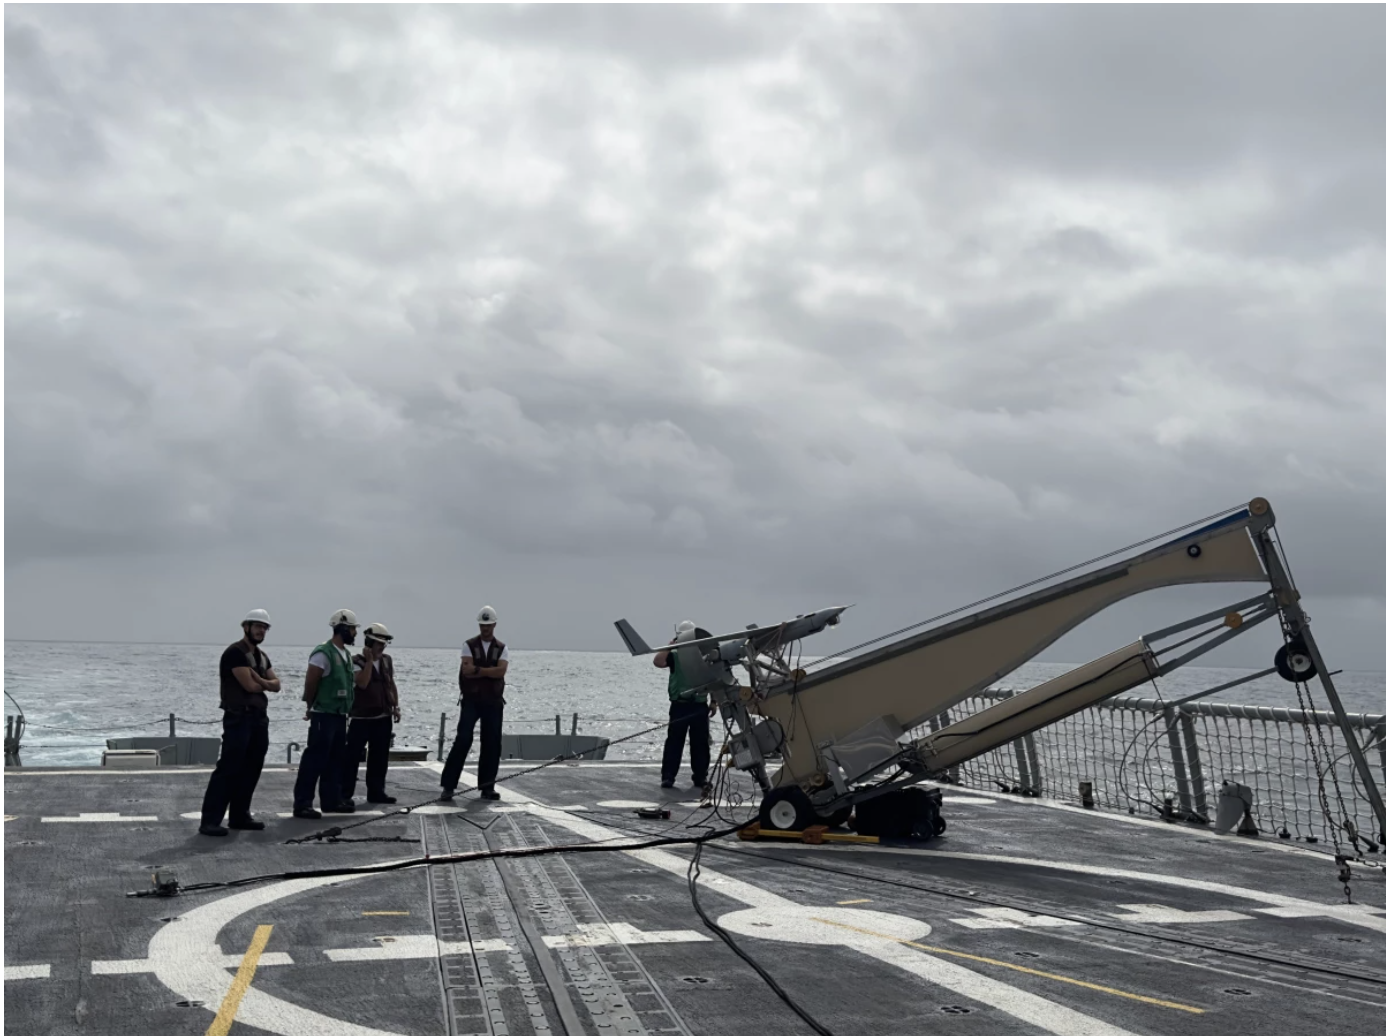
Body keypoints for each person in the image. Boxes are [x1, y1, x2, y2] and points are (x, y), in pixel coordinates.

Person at [198, 609, 280, 836]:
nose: (261, 631)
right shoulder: (235, 653)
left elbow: (277, 684)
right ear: (246, 627)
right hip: (238, 717)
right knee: (229, 767)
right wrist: (265, 683)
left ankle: (239, 815)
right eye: (258, 626)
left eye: (264, 627)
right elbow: (250, 686)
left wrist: (260, 679)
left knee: (252, 767)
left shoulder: (261, 656)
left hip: (258, 718)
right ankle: (210, 821)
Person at [292, 609, 371, 819]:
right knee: (315, 759)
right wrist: (311, 706)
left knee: (335, 759)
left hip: (339, 715)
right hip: (323, 714)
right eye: (352, 629)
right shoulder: (322, 653)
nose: (355, 633)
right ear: (343, 628)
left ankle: (331, 801)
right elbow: (311, 682)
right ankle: (303, 803)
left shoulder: (346, 655)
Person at [439, 605, 509, 802]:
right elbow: (467, 670)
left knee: (492, 743)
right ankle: (448, 786)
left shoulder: (502, 648)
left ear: (494, 625)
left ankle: (487, 787)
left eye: (488, 625)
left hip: (493, 702)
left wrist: (478, 670)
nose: (485, 628)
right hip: (472, 701)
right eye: (482, 625)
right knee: (463, 739)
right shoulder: (468, 645)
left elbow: (501, 671)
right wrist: (489, 671)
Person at [341, 622, 401, 805]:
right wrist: (368, 662)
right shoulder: (354, 661)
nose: (382, 648)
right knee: (352, 757)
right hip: (361, 718)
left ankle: (376, 792)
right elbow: (363, 683)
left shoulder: (387, 661)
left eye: (384, 644)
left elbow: (390, 683)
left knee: (380, 757)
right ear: (369, 644)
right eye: (379, 644)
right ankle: (344, 794)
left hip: (383, 717)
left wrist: (395, 705)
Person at [654, 619, 715, 794]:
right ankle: (668, 776)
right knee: (674, 742)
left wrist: (714, 702)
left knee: (700, 743)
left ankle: (700, 776)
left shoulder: (704, 655)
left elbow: (713, 678)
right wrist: (669, 647)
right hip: (680, 705)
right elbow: (658, 662)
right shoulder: (674, 655)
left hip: (699, 705)